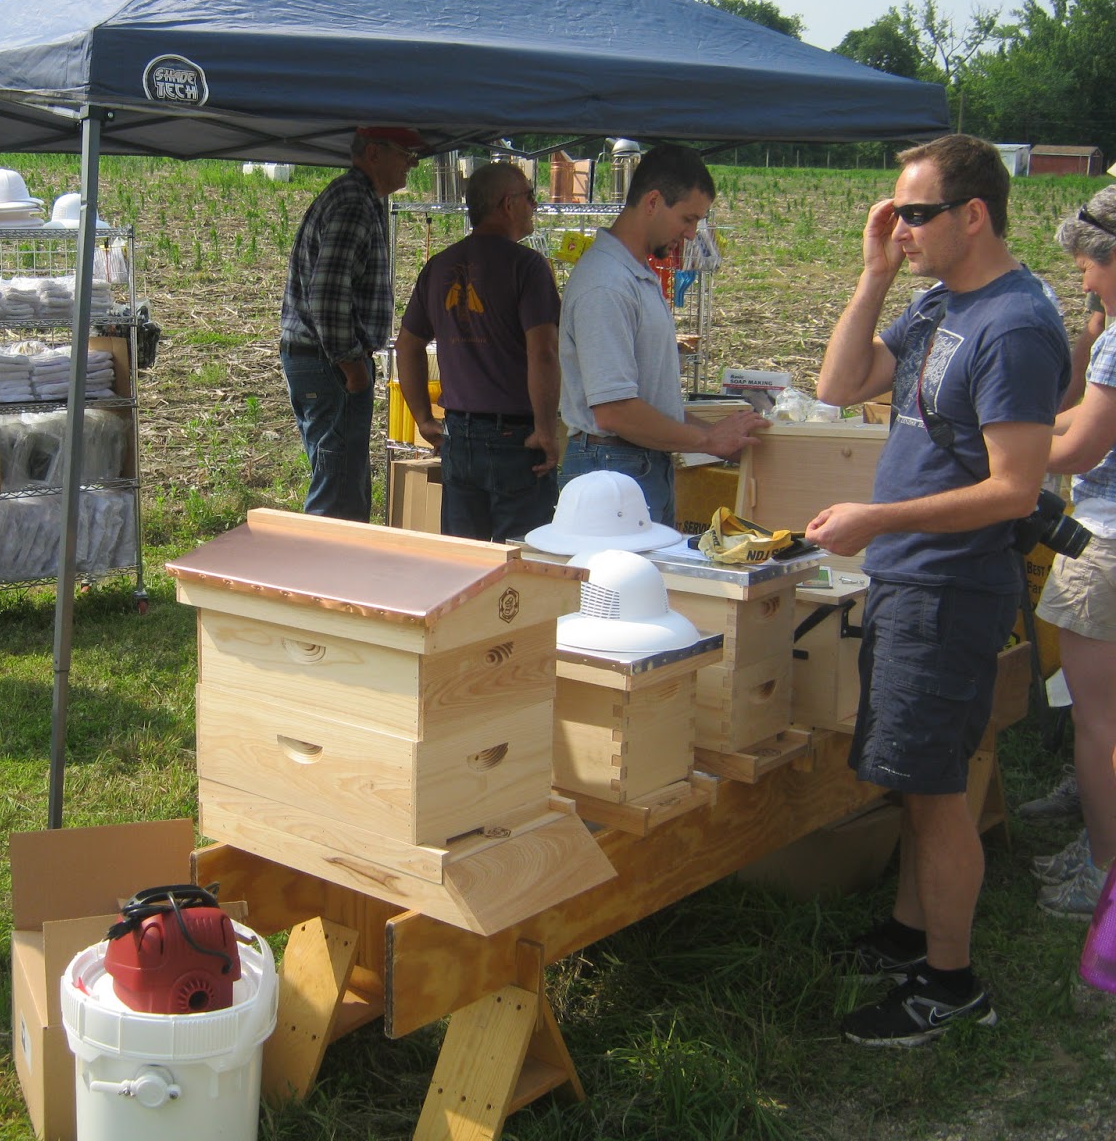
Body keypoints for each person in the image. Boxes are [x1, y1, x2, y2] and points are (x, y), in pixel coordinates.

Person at [806, 133, 1069, 1045]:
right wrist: (874, 273)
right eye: (895, 213)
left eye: (915, 213)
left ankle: (951, 986)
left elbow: (1016, 489)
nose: (900, 227)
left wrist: (876, 520)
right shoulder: (938, 303)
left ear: (974, 214)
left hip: (950, 585)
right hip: (913, 576)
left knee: (934, 790)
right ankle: (908, 934)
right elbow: (839, 384)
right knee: (915, 778)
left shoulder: (1015, 326)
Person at [557, 143, 767, 526]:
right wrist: (708, 440)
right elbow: (615, 411)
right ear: (653, 202)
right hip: (613, 471)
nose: (690, 234)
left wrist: (719, 437)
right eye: (687, 219)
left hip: (632, 465)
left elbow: (651, 406)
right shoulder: (606, 284)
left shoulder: (635, 274)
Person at [394, 162, 561, 540]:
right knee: (518, 560)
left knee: (464, 560)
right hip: (515, 439)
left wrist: (423, 417)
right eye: (530, 197)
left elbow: (407, 345)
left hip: (459, 435)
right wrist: (546, 429)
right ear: (507, 204)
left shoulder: (439, 266)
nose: (534, 205)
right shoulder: (527, 267)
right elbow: (543, 353)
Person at [1030, 188, 1116, 920]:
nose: (1083, 278)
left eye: (1089, 263)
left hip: (1106, 544)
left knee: (1098, 721)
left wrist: (1006, 452)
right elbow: (1089, 416)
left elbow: (1085, 446)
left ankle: (1104, 872)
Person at [280, 126, 426, 520]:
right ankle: (327, 560)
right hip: (329, 362)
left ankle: (336, 556)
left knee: (341, 479)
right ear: (374, 153)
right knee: (338, 492)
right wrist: (352, 367)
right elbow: (327, 293)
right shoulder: (354, 204)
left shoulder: (357, 198)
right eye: (405, 153)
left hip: (319, 359)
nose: (412, 163)